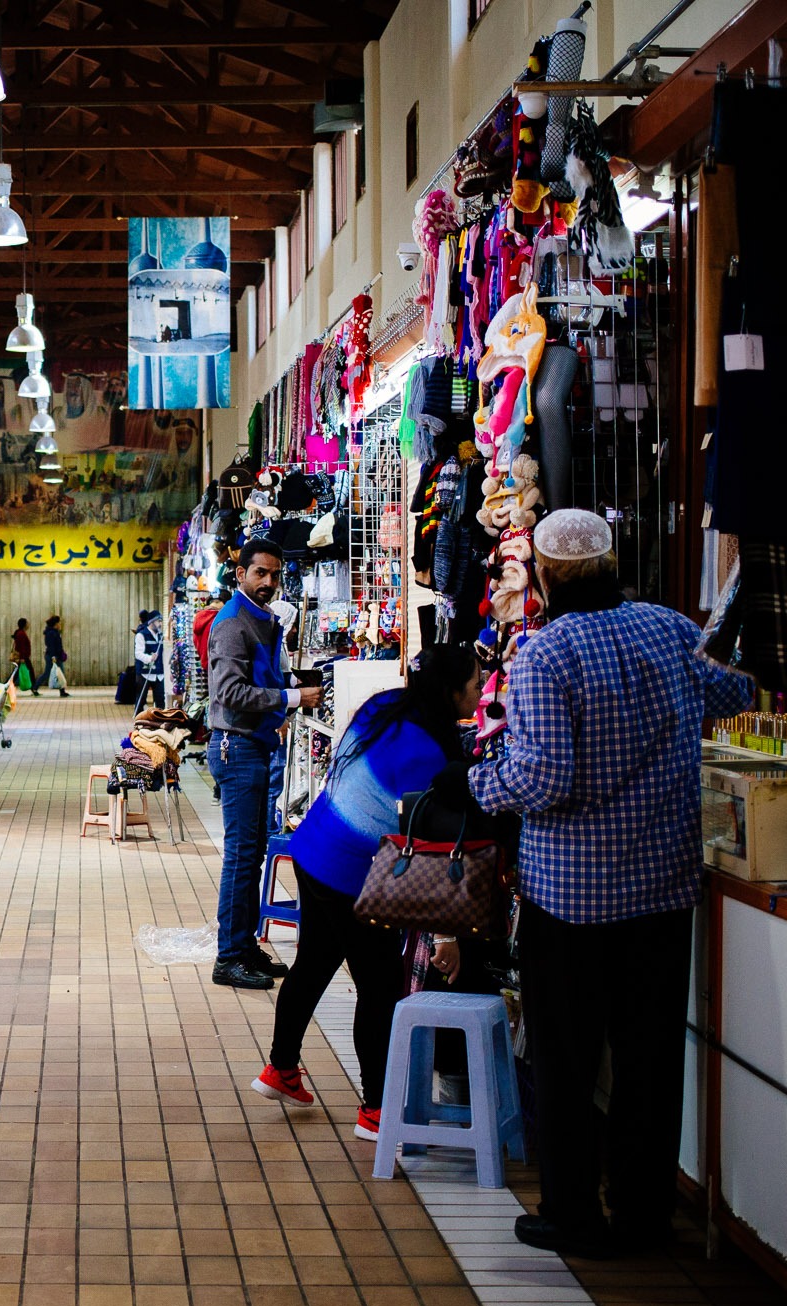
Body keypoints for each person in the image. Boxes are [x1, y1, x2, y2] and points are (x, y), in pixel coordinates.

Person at [463, 510, 754, 1259]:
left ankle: (571, 1213)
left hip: (574, 899)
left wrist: (480, 779)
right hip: (662, 888)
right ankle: (644, 1215)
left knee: (566, 1058)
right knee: (650, 1059)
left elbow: (545, 776)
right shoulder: (666, 627)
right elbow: (732, 693)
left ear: (549, 575)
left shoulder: (543, 655)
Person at [250, 645, 483, 1141]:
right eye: (475, 682)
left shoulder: (383, 706)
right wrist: (447, 934)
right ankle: (376, 1111)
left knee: (313, 963)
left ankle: (280, 1069)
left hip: (313, 850)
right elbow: (433, 848)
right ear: (450, 690)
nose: (482, 690)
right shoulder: (430, 755)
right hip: (354, 877)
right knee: (378, 989)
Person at [207, 540, 322, 990]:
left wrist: (293, 681)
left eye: (275, 575)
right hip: (236, 749)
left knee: (251, 855)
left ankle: (244, 944)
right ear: (241, 574)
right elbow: (230, 693)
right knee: (240, 858)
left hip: (254, 746)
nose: (269, 583)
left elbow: (259, 679)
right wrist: (293, 697)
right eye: (260, 574)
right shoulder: (234, 624)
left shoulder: (263, 621)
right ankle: (228, 957)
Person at [132, 610, 165, 709]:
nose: (160, 624)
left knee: (160, 700)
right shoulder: (141, 635)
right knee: (141, 699)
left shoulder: (161, 636)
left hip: (159, 673)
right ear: (151, 622)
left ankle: (159, 721)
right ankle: (139, 720)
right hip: (144, 672)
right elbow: (138, 654)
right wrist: (149, 658)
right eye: (158, 621)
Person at [42, 615, 70, 696]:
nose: (60, 625)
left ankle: (62, 691)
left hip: (55, 656)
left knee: (59, 673)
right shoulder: (52, 633)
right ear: (55, 624)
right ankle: (35, 687)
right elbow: (51, 646)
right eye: (59, 623)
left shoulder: (54, 632)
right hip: (53, 656)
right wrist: (53, 656)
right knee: (48, 673)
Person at [11, 617, 36, 695]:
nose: (28, 624)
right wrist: (22, 657)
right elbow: (21, 646)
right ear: (24, 625)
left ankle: (7, 686)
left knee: (17, 673)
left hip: (23, 657)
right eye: (27, 623)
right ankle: (34, 688)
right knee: (30, 672)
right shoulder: (21, 634)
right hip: (23, 657)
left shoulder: (20, 633)